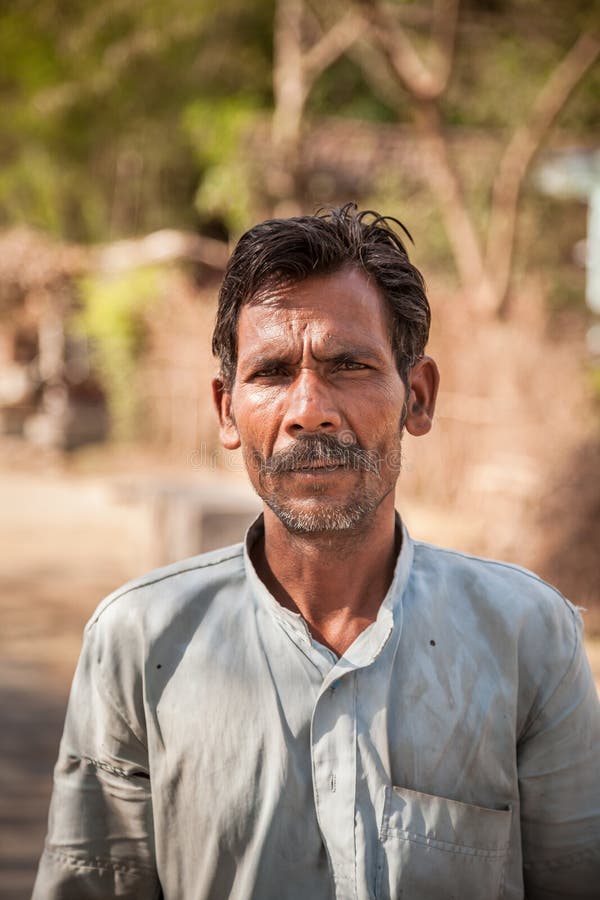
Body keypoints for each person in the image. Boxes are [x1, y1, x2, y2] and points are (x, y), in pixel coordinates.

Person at [34, 204, 600, 900]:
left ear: (416, 399)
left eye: (349, 364)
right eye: (272, 371)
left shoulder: (526, 636)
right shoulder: (139, 642)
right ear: (226, 412)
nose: (309, 409)